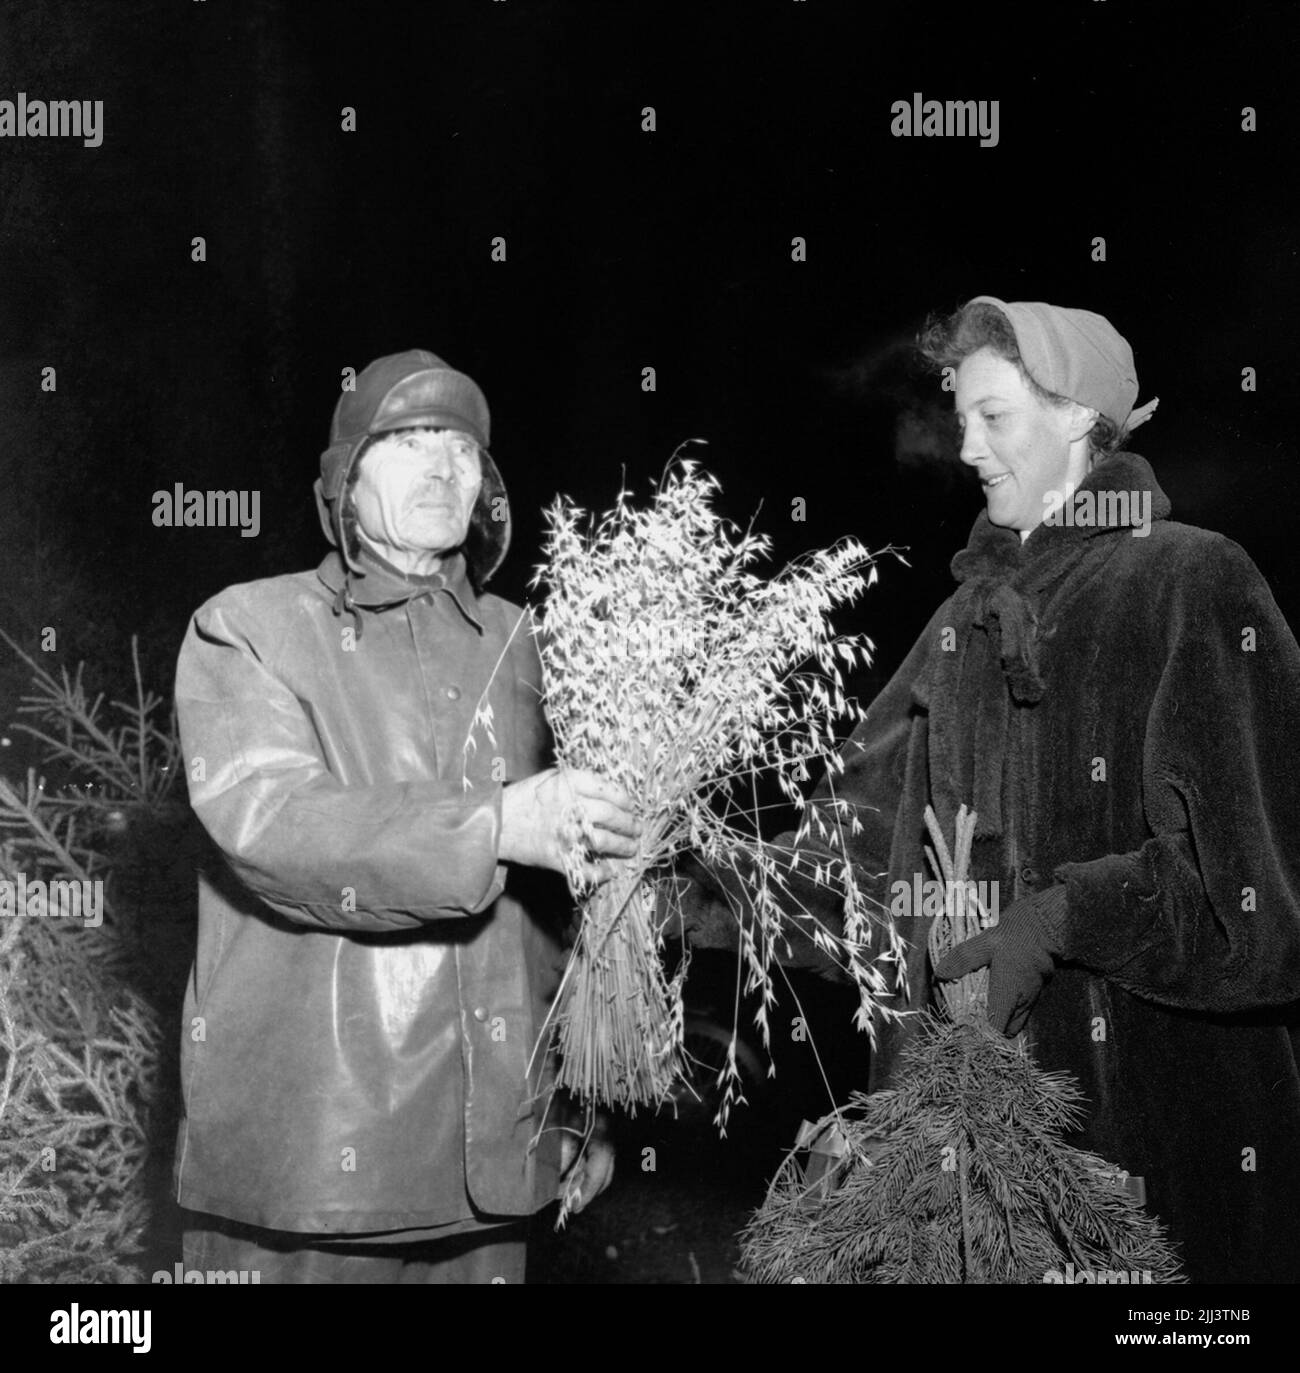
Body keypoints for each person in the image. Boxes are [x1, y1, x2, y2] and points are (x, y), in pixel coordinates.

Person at [684, 297, 1300, 1283]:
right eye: (959, 417)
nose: (965, 446)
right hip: (950, 1168)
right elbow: (840, 860)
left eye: (994, 417)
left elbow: (1262, 909)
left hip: (1144, 1152)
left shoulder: (1193, 581)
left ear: (1075, 417)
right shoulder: (958, 622)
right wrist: (678, 879)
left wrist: (1057, 917)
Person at [173, 350, 638, 1283]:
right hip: (315, 1168)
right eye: (409, 442)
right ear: (345, 480)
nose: (441, 468)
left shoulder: (531, 648)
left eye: (462, 449)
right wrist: (494, 826)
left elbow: (573, 912)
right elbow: (279, 825)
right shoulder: (249, 628)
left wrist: (585, 1104)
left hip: (497, 1164)